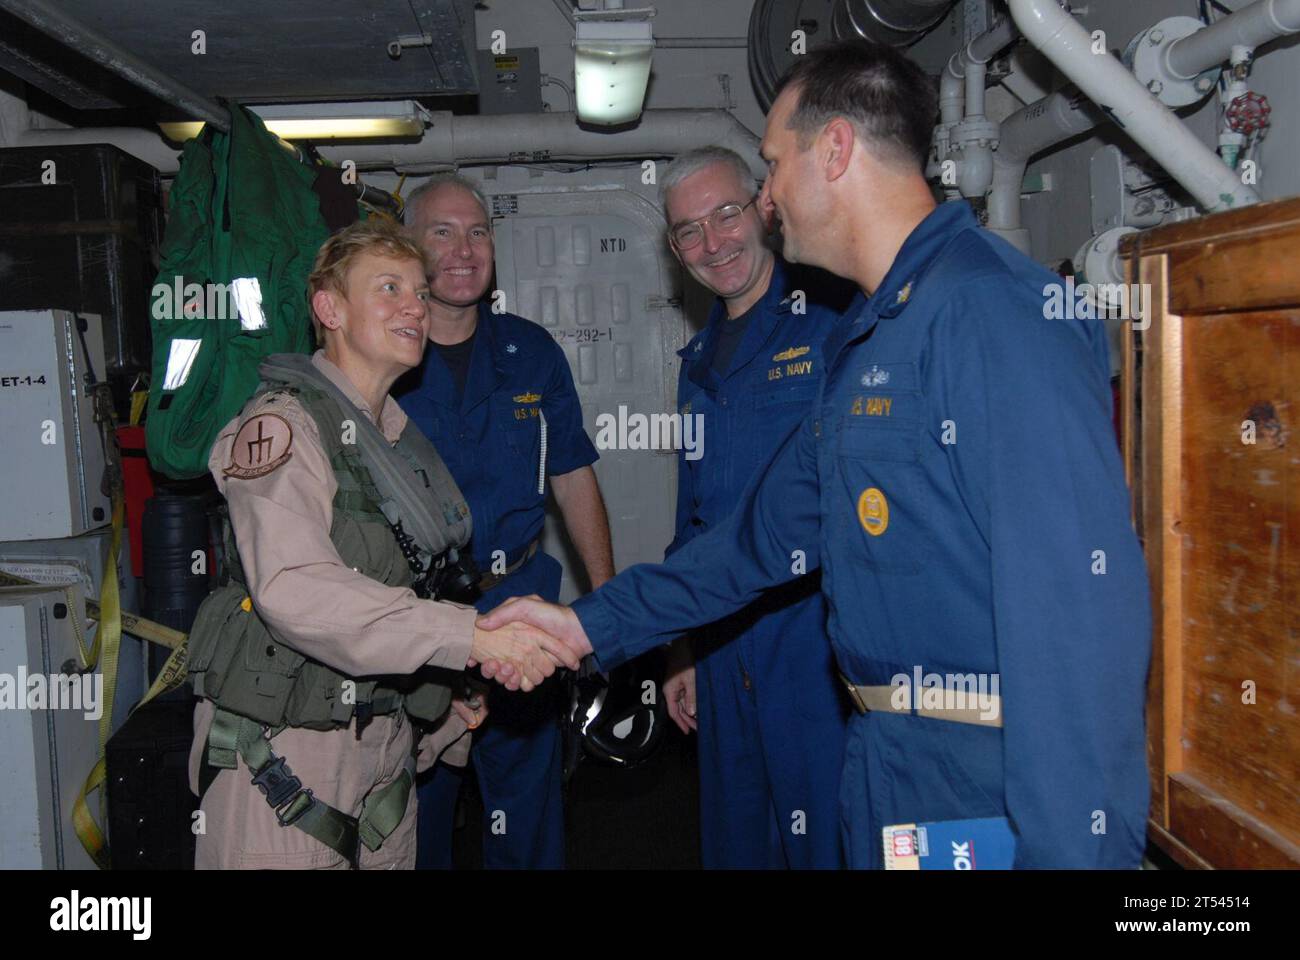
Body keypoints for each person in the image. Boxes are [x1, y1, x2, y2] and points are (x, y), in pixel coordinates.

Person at [478, 40, 1153, 869]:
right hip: (888, 761)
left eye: (771, 166)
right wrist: (584, 625)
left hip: (983, 777)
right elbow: (757, 538)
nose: (765, 199)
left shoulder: (994, 318)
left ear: (834, 151)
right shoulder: (873, 339)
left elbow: (1077, 624)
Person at [186, 219, 575, 870]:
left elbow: (394, 594)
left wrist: (457, 693)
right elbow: (296, 590)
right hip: (285, 763)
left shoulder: (394, 447)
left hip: (385, 766)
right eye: (388, 287)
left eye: (420, 292)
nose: (415, 307)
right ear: (329, 308)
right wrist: (469, 638)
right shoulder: (282, 427)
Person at [398, 174, 615, 870]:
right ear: (408, 245)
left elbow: (575, 476)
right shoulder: (383, 358)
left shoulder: (531, 351)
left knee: (523, 816)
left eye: (478, 232)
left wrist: (606, 612)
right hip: (418, 621)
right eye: (442, 232)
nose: (463, 250)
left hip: (521, 612)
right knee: (413, 814)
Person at [656, 146, 850, 868]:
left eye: (725, 214)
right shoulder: (699, 359)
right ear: (675, 250)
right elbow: (693, 515)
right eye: (688, 232)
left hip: (813, 632)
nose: (713, 243)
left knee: (822, 837)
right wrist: (680, 645)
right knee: (736, 836)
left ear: (764, 208)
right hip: (720, 634)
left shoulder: (832, 321)